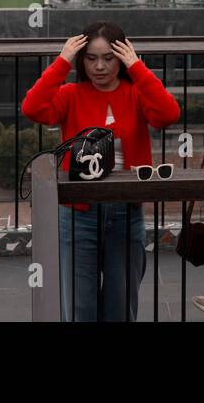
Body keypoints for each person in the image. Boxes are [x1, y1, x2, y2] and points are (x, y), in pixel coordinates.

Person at [21, 22, 181, 321]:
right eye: (91, 58)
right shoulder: (70, 94)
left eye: (108, 57)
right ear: (81, 60)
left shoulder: (135, 94)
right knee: (80, 307)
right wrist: (62, 61)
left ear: (121, 57)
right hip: (78, 213)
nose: (99, 66)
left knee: (120, 305)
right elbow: (33, 108)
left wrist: (137, 67)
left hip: (125, 210)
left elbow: (168, 114)